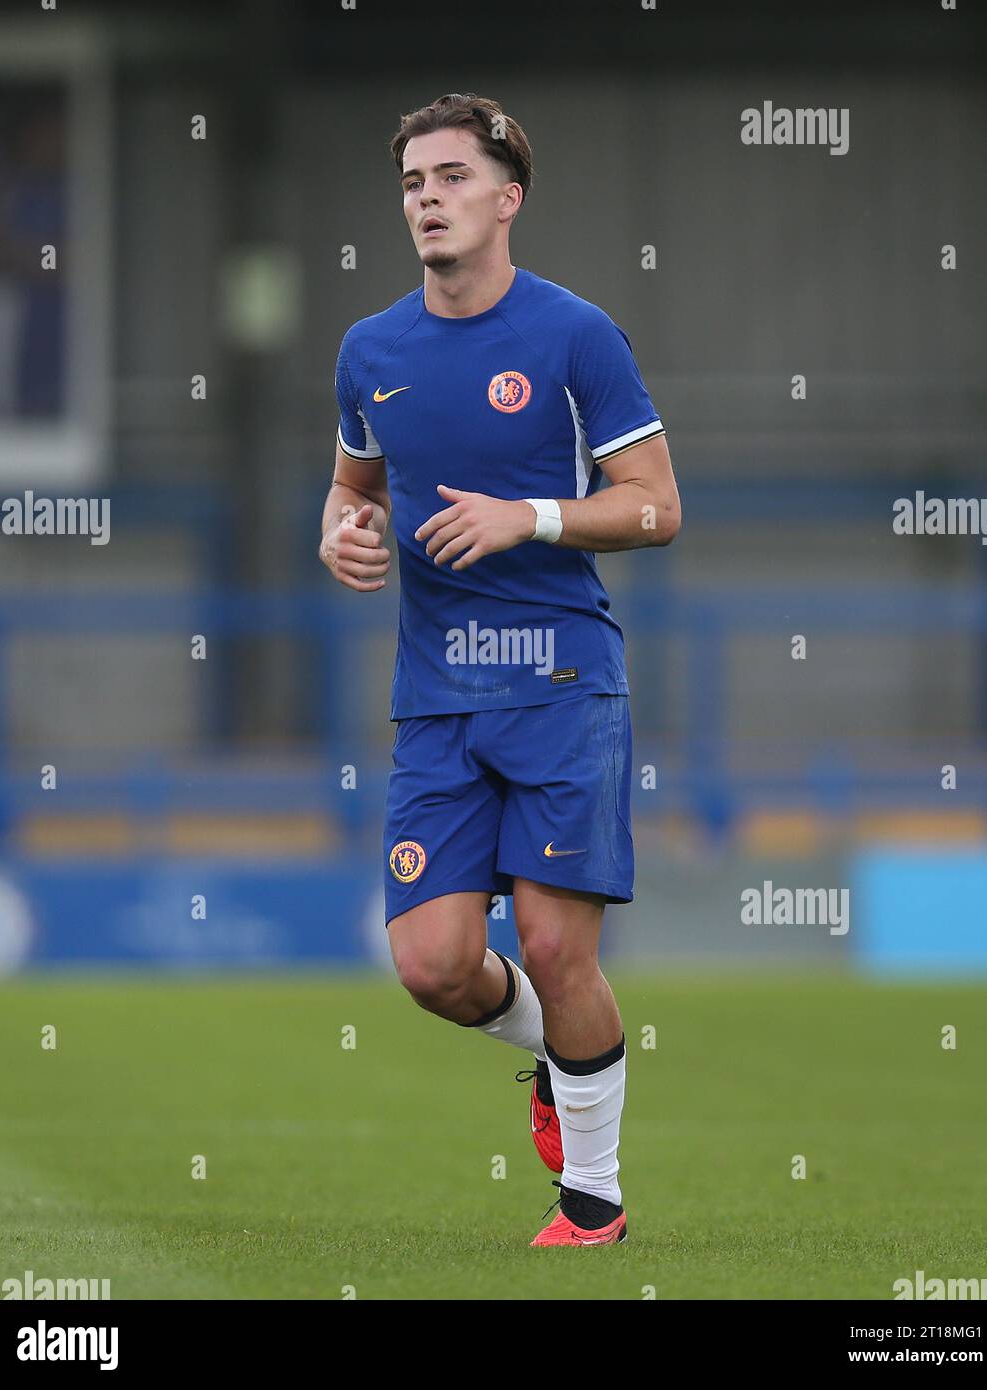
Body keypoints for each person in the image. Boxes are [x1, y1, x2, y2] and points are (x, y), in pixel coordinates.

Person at [319, 93, 681, 1246]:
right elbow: (352, 486)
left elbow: (656, 508)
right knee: (431, 964)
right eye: (413, 182)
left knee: (556, 944)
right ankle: (558, 1055)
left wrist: (525, 516)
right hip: (435, 697)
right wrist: (339, 530)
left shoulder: (575, 335)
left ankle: (594, 1201)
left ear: (506, 197)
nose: (427, 198)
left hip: (563, 685)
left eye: (451, 178)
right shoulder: (370, 351)